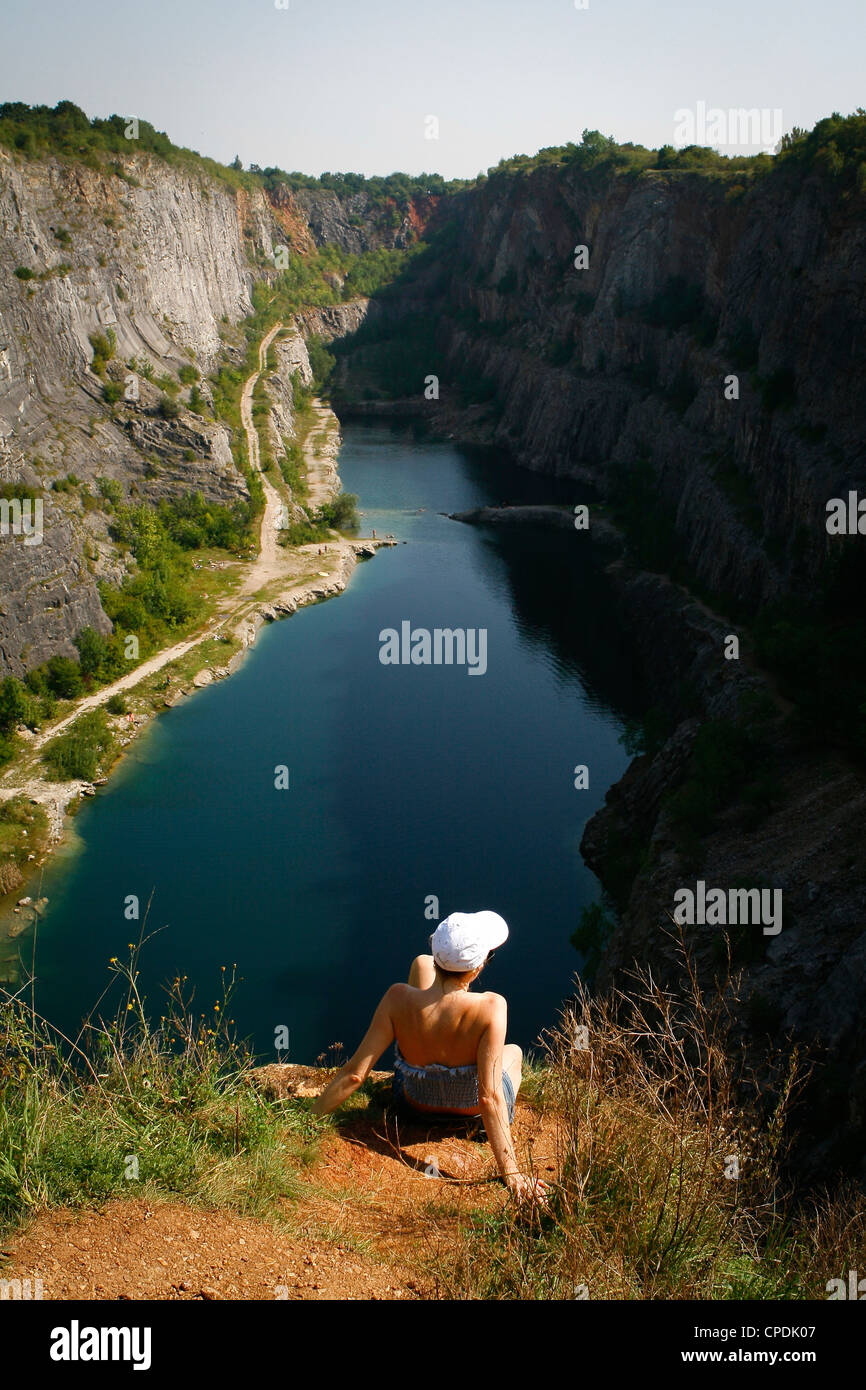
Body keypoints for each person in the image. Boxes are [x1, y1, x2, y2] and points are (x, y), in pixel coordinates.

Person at [311, 911, 549, 1205]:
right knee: (513, 1052)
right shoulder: (493, 1007)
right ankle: (454, 1014)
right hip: (471, 1113)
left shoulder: (396, 997)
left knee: (419, 965)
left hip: (414, 1104)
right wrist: (511, 1174)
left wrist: (309, 1119)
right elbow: (490, 1098)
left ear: (437, 953)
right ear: (476, 970)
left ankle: (438, 1017)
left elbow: (355, 1075)